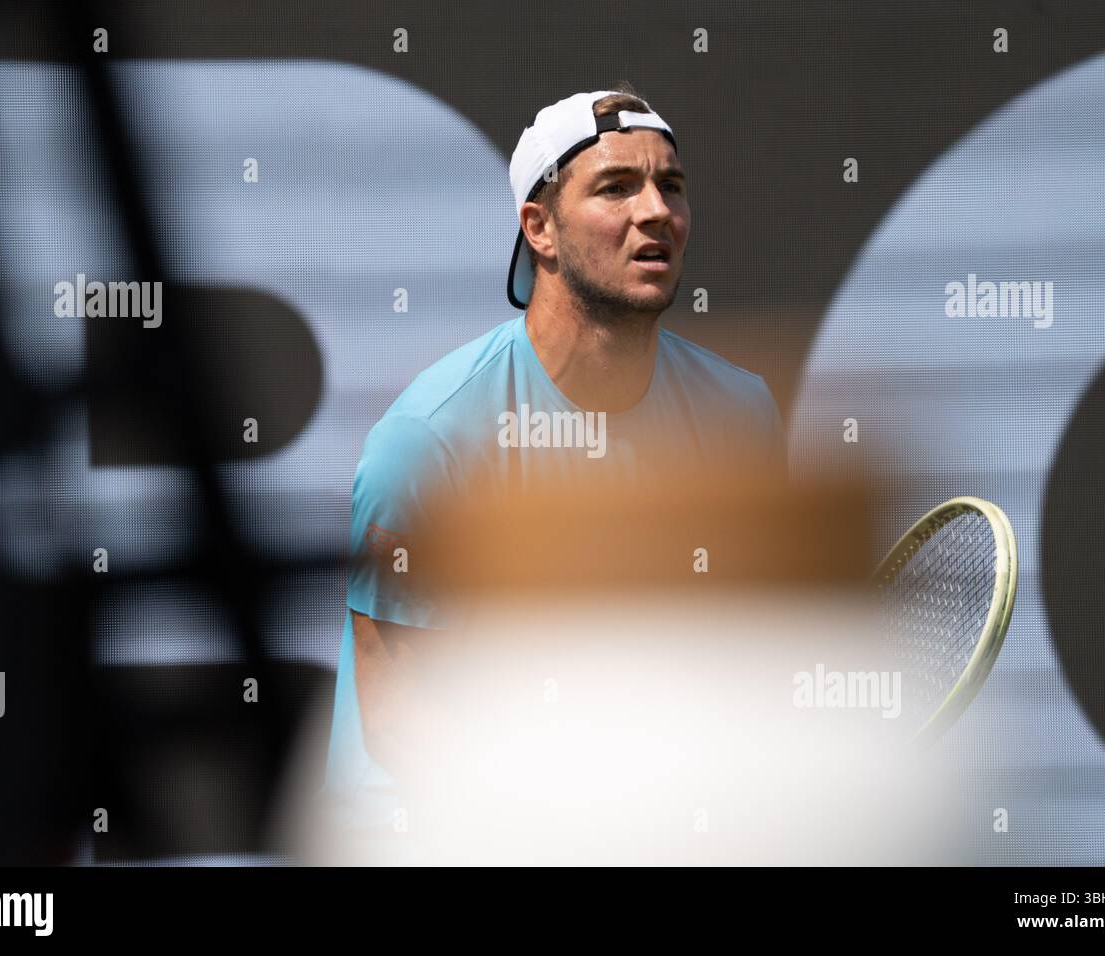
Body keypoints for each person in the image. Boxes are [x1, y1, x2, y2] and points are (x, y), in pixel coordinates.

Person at [322, 84, 787, 861]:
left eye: (670, 186)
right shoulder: (429, 439)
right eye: (616, 187)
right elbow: (403, 721)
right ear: (538, 228)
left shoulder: (742, 417)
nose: (656, 212)